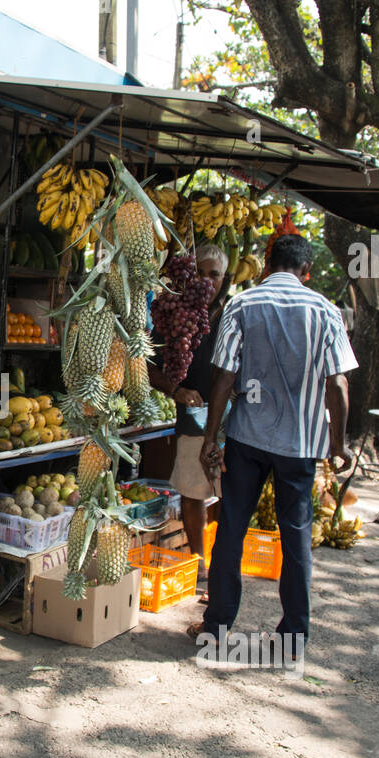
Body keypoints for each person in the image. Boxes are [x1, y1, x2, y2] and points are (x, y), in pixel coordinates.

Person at [189, 233, 356, 645]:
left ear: (266, 265)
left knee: (231, 530)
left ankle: (217, 626)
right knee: (296, 534)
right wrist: (338, 445)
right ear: (307, 272)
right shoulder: (326, 311)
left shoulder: (242, 304)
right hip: (300, 445)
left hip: (247, 439)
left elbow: (224, 377)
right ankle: (294, 635)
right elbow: (337, 384)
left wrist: (211, 437)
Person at [149, 243, 228, 590]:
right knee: (193, 493)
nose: (207, 281)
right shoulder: (173, 315)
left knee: (230, 494)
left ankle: (225, 561)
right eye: (201, 273)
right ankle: (199, 563)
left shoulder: (233, 316)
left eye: (215, 275)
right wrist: (176, 391)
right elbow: (149, 366)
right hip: (192, 417)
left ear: (224, 279)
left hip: (230, 420)